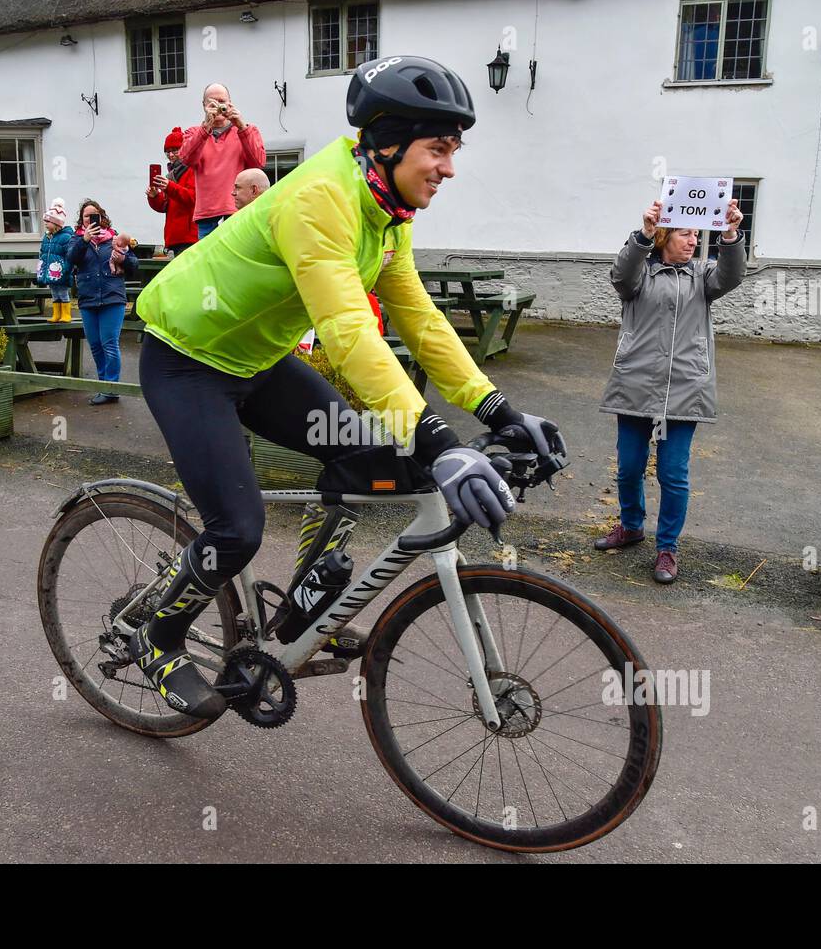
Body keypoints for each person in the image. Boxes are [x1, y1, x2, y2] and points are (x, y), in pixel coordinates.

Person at [131, 56, 566, 721]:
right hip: (187, 359)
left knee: (369, 459)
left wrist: (498, 410)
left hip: (258, 359)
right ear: (387, 144)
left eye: (454, 150)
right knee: (237, 529)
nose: (449, 167)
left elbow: (418, 318)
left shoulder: (388, 209)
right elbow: (349, 334)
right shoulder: (321, 198)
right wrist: (441, 440)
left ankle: (311, 599)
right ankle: (156, 637)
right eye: (438, 149)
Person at [595, 198, 746, 584]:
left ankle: (667, 549)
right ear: (664, 235)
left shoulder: (702, 277)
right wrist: (643, 233)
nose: (693, 240)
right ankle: (631, 526)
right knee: (629, 468)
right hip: (636, 386)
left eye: (697, 234)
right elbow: (620, 275)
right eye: (685, 233)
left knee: (673, 474)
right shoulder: (639, 275)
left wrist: (729, 235)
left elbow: (731, 276)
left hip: (683, 392)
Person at [67, 199, 137, 405]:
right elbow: (71, 259)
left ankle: (111, 388)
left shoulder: (115, 238)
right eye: (87, 216)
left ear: (102, 217)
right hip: (88, 299)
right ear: (82, 220)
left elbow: (134, 265)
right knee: (96, 345)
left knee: (109, 343)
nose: (91, 219)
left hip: (112, 297)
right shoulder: (76, 239)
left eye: (94, 215)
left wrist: (123, 259)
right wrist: (84, 240)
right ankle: (103, 384)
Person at [179, 83, 266, 239]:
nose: (218, 106)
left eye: (222, 101)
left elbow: (258, 163)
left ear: (230, 103)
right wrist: (206, 127)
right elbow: (187, 159)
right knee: (209, 261)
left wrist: (240, 125)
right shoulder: (193, 132)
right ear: (204, 105)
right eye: (212, 102)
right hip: (206, 214)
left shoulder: (247, 130)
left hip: (238, 209)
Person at [146, 127, 198, 257]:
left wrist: (169, 186)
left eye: (175, 150)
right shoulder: (171, 175)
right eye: (167, 152)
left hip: (189, 238)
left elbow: (192, 198)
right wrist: (154, 196)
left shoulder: (193, 170)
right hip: (173, 238)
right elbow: (164, 206)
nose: (170, 155)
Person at [37, 198, 75, 322]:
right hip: (50, 271)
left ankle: (66, 314)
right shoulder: (47, 237)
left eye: (48, 221)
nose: (46, 224)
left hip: (61, 270)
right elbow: (43, 252)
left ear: (57, 223)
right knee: (54, 292)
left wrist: (67, 269)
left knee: (63, 292)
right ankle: (56, 314)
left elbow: (69, 255)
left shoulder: (66, 237)